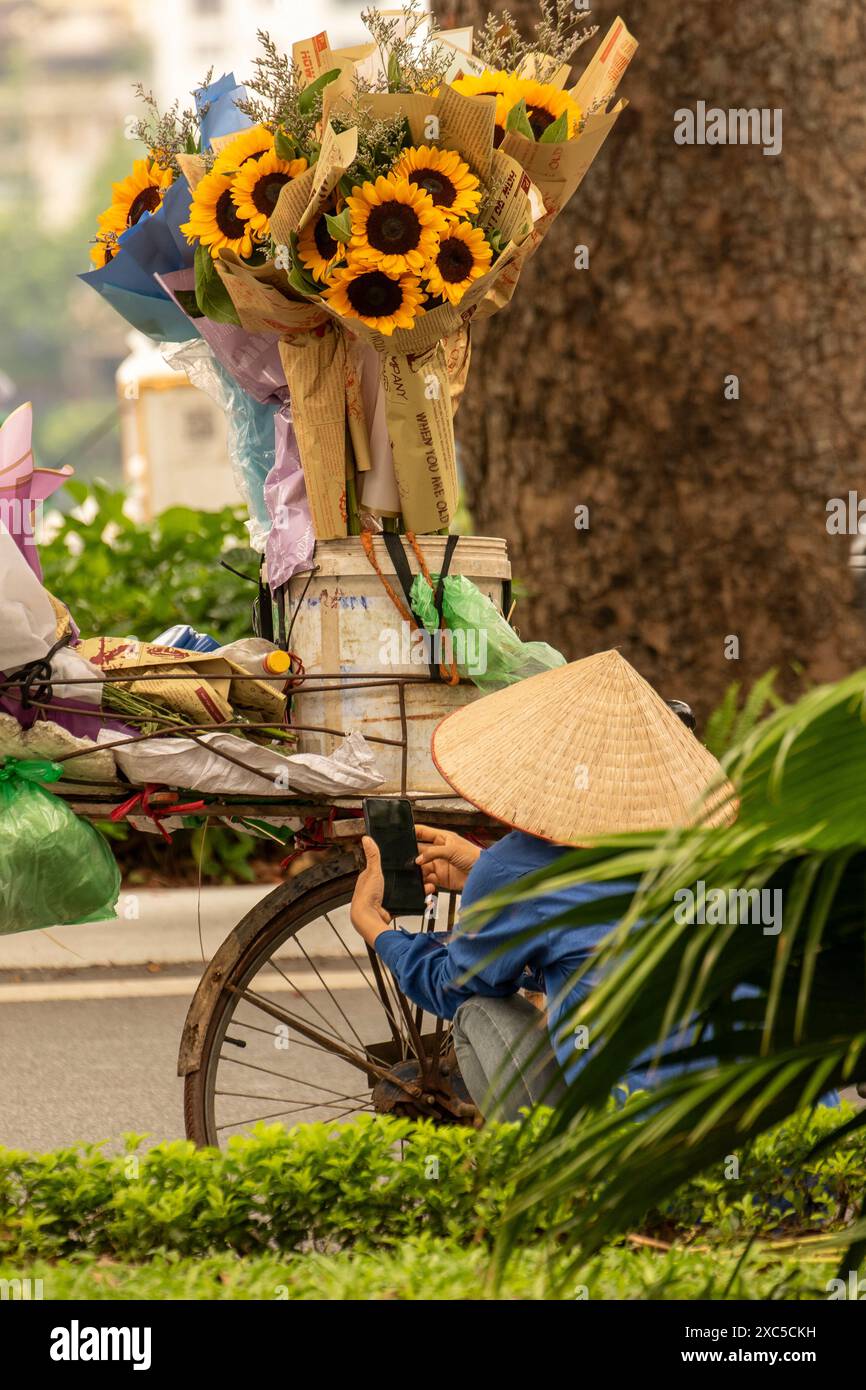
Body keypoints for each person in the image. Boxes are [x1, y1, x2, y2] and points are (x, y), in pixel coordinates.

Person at [349, 648, 737, 1121]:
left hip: (643, 1151)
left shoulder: (519, 868)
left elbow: (452, 986)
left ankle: (544, 1171)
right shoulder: (719, 852)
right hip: (784, 1152)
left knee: (473, 1010)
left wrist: (377, 930)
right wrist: (486, 869)